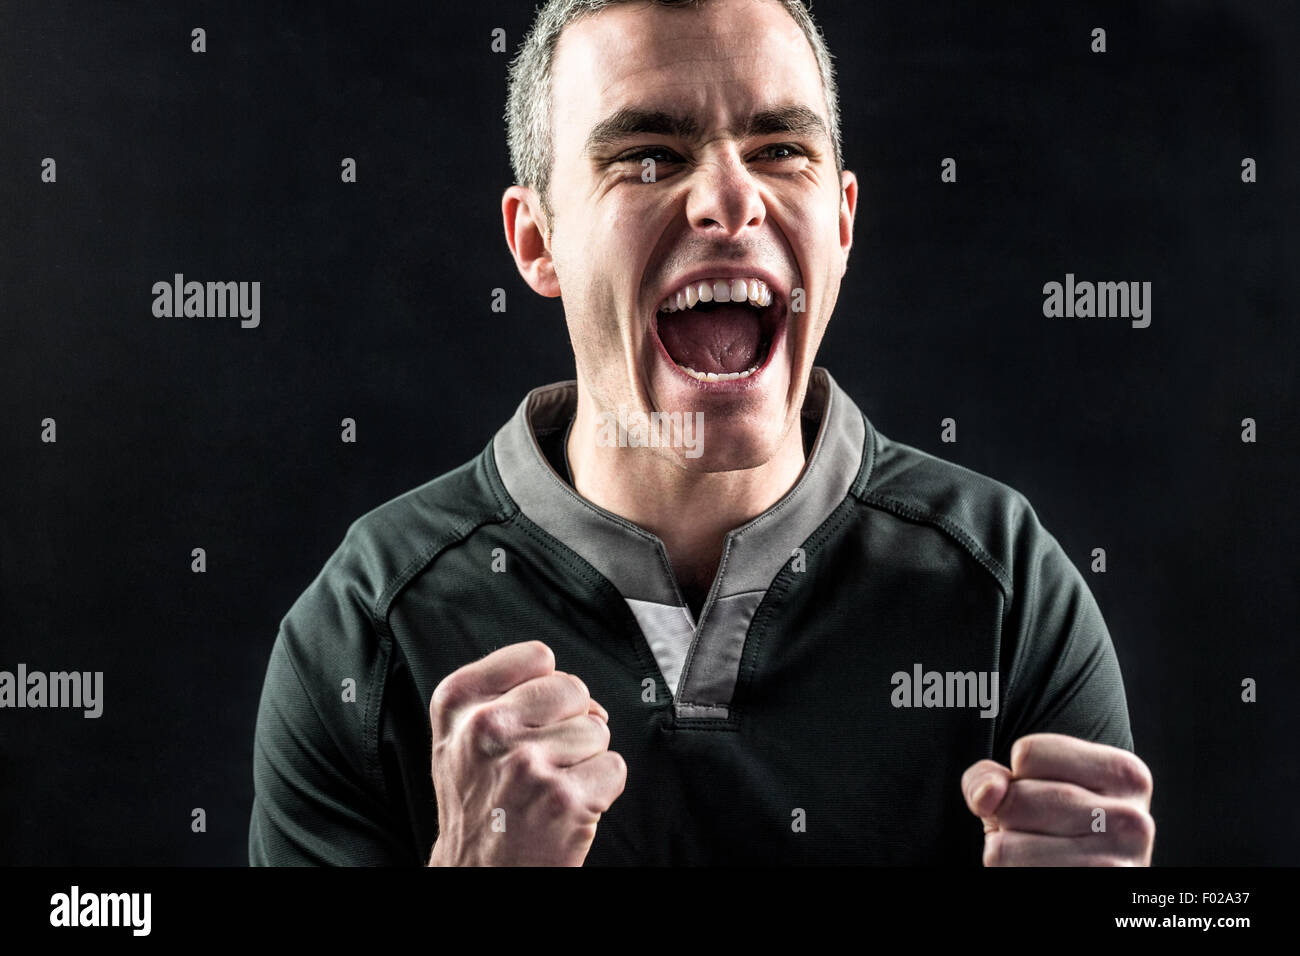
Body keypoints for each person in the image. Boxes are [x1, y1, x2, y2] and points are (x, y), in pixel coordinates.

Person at [250, 0, 1154, 866]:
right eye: (647, 155)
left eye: (780, 149)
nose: (730, 197)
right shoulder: (367, 629)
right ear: (538, 242)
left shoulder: (1007, 590)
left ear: (841, 223)